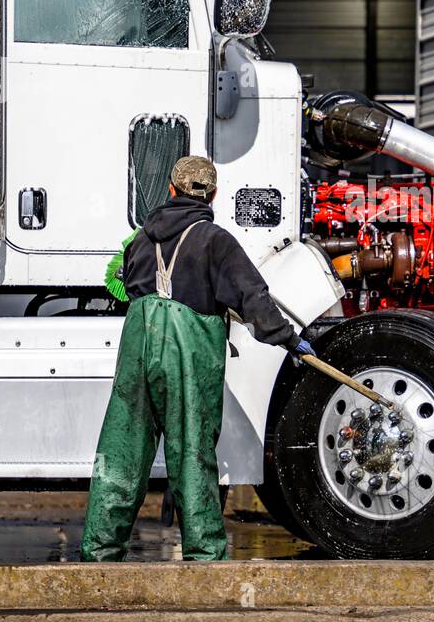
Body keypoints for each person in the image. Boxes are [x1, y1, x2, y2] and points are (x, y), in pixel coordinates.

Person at [81, 155, 313, 561]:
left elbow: (129, 287)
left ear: (171, 190)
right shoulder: (215, 241)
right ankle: (204, 555)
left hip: (139, 345)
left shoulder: (140, 238)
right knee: (191, 454)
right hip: (187, 353)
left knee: (122, 450)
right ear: (213, 196)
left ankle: (100, 550)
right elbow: (252, 297)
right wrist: (289, 340)